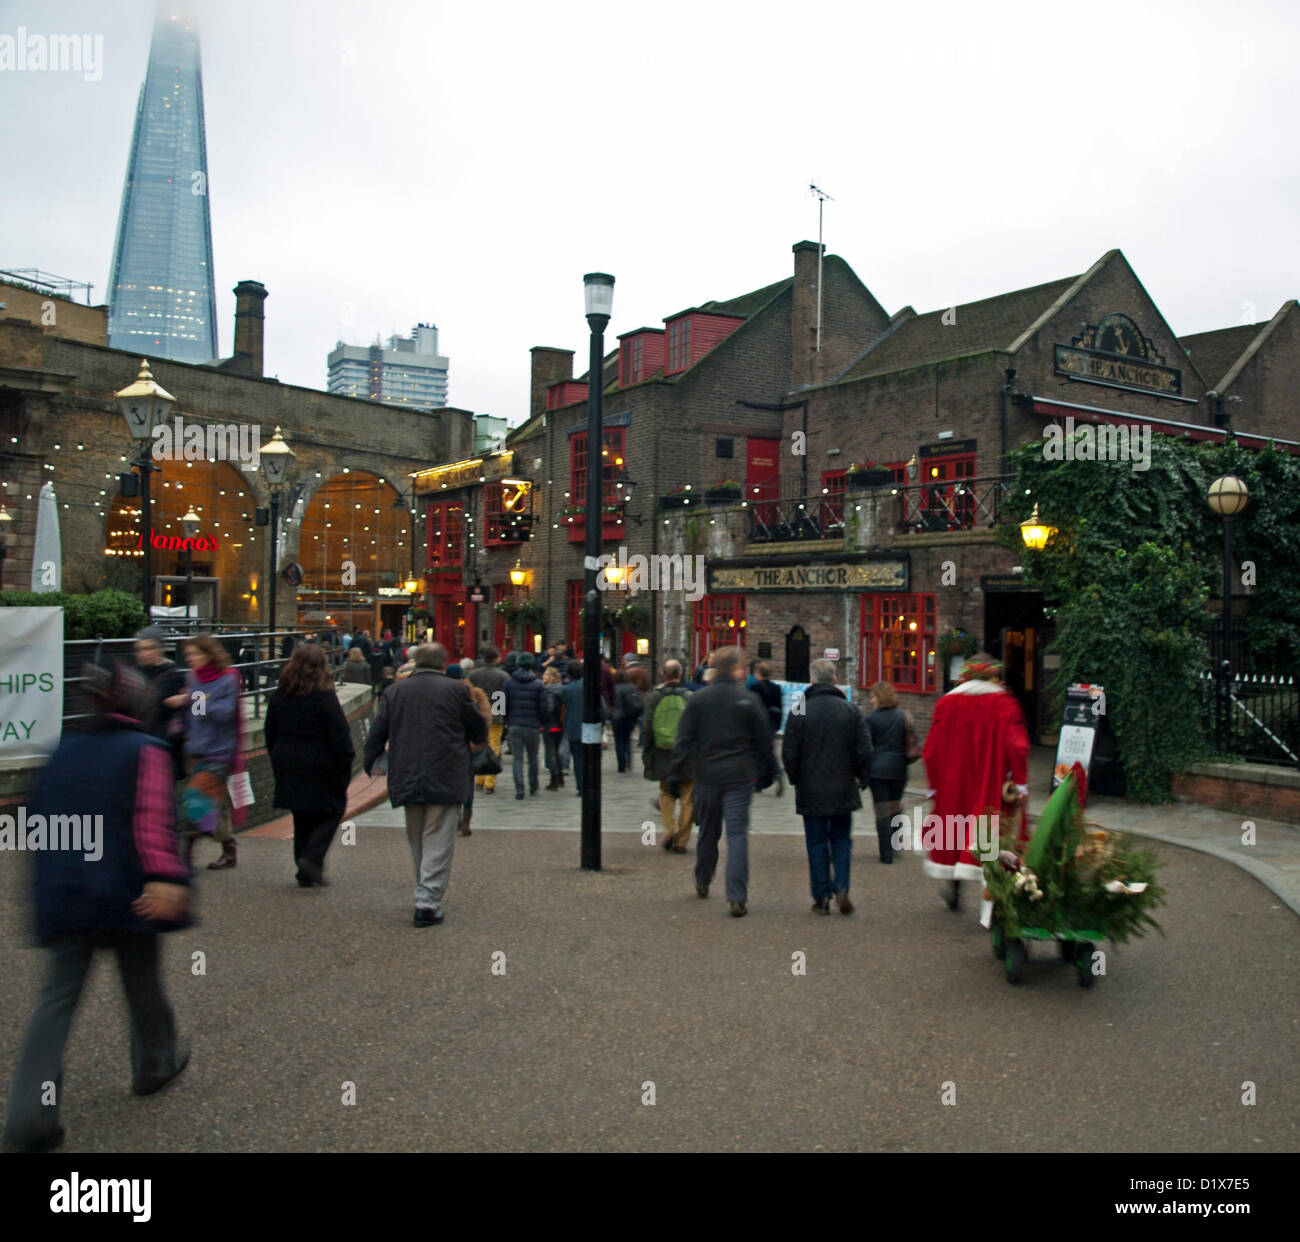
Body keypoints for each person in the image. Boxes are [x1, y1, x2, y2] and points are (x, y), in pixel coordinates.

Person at [2, 664, 191, 1154]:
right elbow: (153, 820)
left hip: (67, 893)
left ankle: (29, 1116)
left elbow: (37, 828)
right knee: (143, 984)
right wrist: (165, 877)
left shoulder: (58, 752)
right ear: (136, 707)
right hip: (128, 892)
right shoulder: (147, 751)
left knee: (55, 1002)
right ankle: (154, 1064)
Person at [363, 643, 486, 926]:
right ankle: (427, 901)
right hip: (445, 770)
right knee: (439, 837)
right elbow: (477, 727)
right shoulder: (456, 691)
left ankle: (424, 890)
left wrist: (372, 762)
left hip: (406, 771)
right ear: (443, 664)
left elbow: (377, 731)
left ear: (416, 662)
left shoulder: (394, 692)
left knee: (416, 837)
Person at [668, 646, 774, 917]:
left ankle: (703, 879)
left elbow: (683, 739)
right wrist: (769, 773)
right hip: (740, 775)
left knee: (708, 831)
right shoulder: (748, 700)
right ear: (738, 669)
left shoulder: (699, 700)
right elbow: (764, 742)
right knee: (737, 834)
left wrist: (675, 774)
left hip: (707, 774)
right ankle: (737, 895)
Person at [922, 653, 1030, 912]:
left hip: (954, 784)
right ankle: (995, 901)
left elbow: (932, 750)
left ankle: (955, 888)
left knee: (956, 832)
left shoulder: (946, 703)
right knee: (992, 835)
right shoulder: (1004, 703)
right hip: (990, 782)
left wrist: (934, 784)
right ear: (994, 675)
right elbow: (1017, 746)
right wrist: (1020, 781)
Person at [782, 659, 873, 914]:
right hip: (843, 785)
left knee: (816, 842)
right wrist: (862, 777)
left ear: (811, 680)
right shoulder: (849, 709)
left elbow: (790, 751)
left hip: (811, 787)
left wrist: (795, 777)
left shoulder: (800, 709)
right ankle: (842, 886)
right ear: (834, 679)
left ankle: (821, 896)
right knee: (842, 840)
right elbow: (864, 749)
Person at [265, 643, 355, 887]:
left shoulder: (279, 695)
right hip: (320, 762)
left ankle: (304, 870)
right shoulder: (325, 697)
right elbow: (340, 735)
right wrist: (345, 763)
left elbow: (269, 731)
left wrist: (276, 757)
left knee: (301, 815)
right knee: (332, 810)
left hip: (287, 761)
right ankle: (312, 858)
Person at [166, 634, 245, 872]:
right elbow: (195, 714)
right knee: (214, 804)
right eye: (188, 654)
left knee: (195, 802)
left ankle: (184, 858)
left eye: (196, 654)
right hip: (196, 749)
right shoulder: (193, 678)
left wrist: (192, 699)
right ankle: (229, 849)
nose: (191, 659)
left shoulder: (228, 679)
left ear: (210, 654)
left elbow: (224, 714)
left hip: (219, 751)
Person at [641, 660, 693, 852]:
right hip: (686, 752)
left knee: (666, 792)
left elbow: (647, 726)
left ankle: (670, 829)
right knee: (688, 796)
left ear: (663, 674)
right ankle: (681, 841)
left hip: (662, 752)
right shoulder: (690, 697)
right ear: (680, 674)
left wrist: (647, 751)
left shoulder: (654, 697)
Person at [865, 680, 912, 864]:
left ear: (878, 698)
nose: (870, 700)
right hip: (899, 768)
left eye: (872, 696)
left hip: (878, 771)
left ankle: (886, 854)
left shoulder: (870, 719)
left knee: (882, 811)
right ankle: (895, 843)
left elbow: (866, 746)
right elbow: (911, 740)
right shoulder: (903, 716)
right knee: (895, 807)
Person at [133, 626, 187, 780]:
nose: (144, 653)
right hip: (139, 744)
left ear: (160, 648)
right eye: (140, 649)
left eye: (149, 648)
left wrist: (185, 699)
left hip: (165, 745)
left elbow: (201, 707)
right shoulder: (134, 673)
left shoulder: (175, 674)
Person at [446, 663, 491, 835]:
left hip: (449, 745)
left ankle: (455, 818)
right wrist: (478, 741)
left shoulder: (443, 694)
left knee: (450, 782)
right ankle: (466, 821)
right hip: (469, 745)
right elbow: (486, 717)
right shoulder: (476, 693)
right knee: (468, 784)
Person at [503, 652, 549, 799]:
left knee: (517, 758)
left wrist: (506, 720)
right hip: (532, 725)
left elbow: (499, 704)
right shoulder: (538, 684)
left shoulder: (508, 682)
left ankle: (519, 789)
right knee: (533, 757)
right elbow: (544, 708)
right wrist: (541, 721)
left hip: (514, 724)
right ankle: (533, 786)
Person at [467, 645, 509, 795]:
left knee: (478, 744)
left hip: (477, 713)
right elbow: (502, 697)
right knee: (494, 746)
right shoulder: (502, 676)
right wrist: (503, 715)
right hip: (496, 713)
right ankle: (490, 782)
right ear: (496, 658)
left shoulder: (473, 674)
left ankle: (478, 778)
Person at [559, 660, 601, 795]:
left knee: (577, 759)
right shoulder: (591, 687)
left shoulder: (566, 690)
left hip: (573, 727)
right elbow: (602, 707)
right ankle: (592, 783)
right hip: (592, 727)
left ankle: (581, 786)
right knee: (591, 758)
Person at [750, 660, 786, 797]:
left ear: (758, 673)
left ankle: (760, 782)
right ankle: (776, 773)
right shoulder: (776, 688)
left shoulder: (754, 687)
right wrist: (777, 724)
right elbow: (780, 707)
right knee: (769, 751)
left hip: (757, 724)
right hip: (771, 723)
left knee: (758, 754)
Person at [611, 669, 643, 773]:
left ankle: (621, 765)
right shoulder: (632, 687)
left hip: (617, 717)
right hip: (629, 718)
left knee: (618, 741)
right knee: (627, 739)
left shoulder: (614, 688)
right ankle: (629, 762)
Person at [541, 665, 566, 790]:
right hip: (560, 725)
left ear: (551, 677)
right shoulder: (562, 688)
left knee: (550, 752)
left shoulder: (549, 690)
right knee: (556, 751)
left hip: (550, 725)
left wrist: (542, 716)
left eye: (545, 674)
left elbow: (549, 708)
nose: (543, 676)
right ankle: (560, 776)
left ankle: (554, 778)